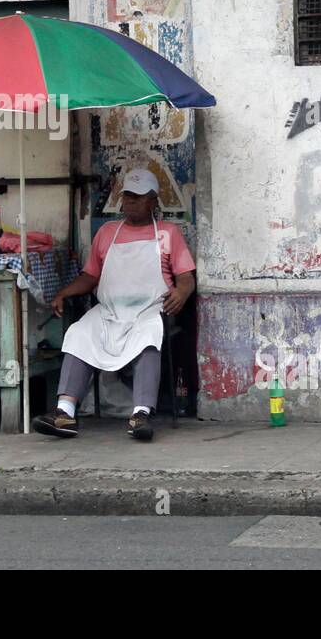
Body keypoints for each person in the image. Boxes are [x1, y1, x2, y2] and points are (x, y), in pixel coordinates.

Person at [32, 167, 195, 442]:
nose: (130, 201)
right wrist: (63, 293)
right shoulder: (108, 232)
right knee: (79, 333)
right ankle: (65, 413)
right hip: (109, 311)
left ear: (154, 201)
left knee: (148, 337)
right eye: (127, 195)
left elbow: (186, 277)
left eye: (138, 196)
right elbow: (90, 277)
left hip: (150, 309)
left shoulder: (169, 233)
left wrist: (181, 292)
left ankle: (141, 414)